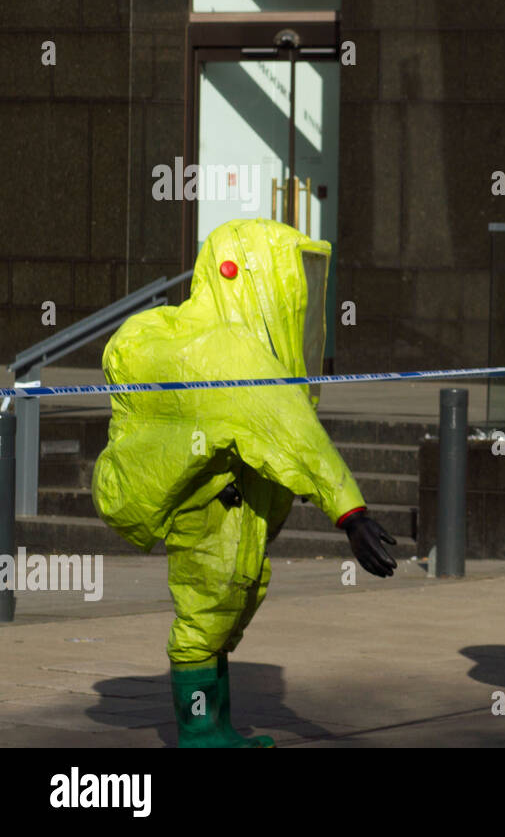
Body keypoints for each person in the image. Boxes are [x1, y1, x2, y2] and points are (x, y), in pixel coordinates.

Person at [92, 218, 397, 747]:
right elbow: (293, 431)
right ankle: (201, 733)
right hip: (213, 502)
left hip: (230, 494)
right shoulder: (220, 352)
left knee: (232, 598)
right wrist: (350, 512)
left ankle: (217, 726)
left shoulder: (195, 343)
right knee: (206, 612)